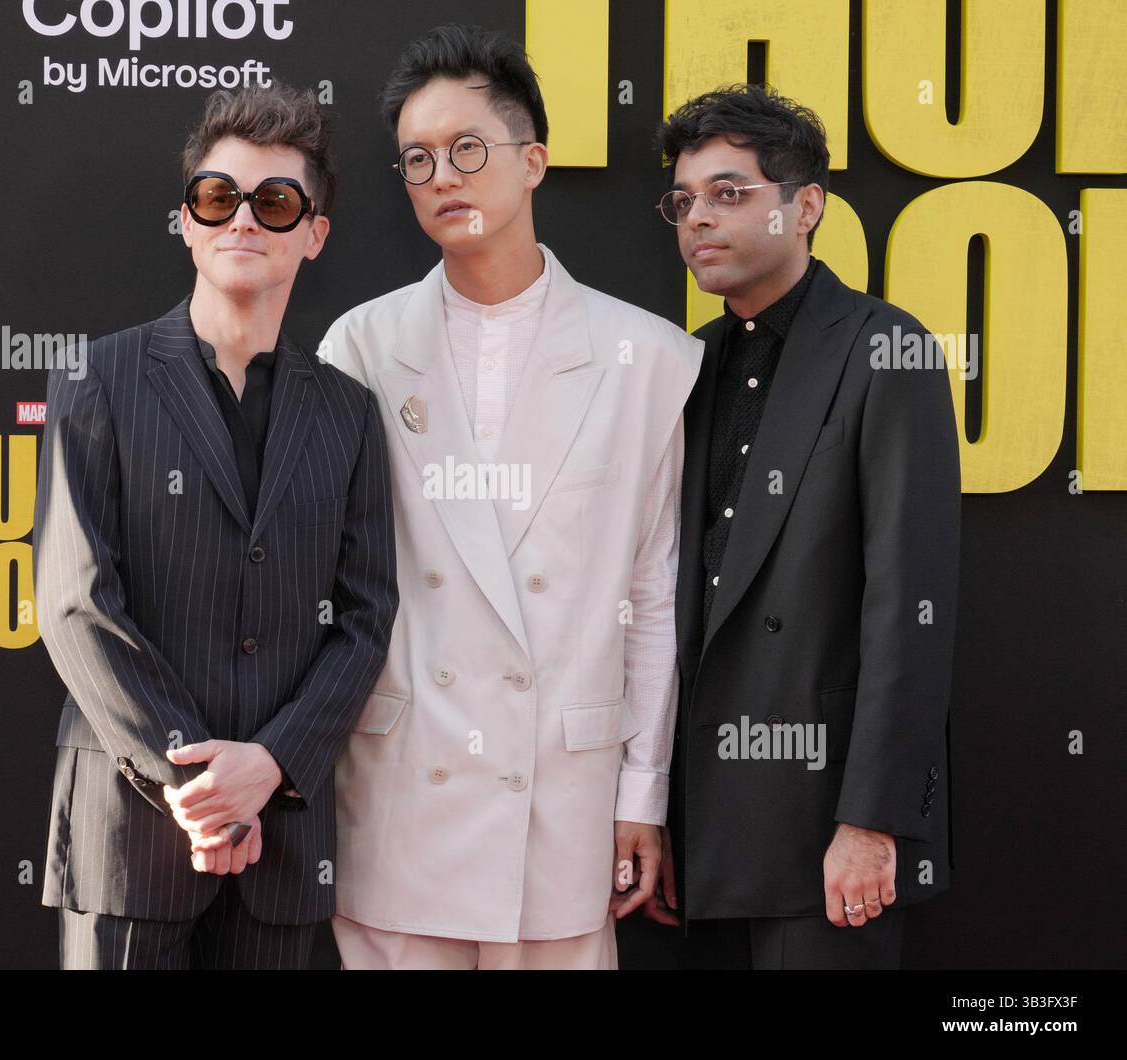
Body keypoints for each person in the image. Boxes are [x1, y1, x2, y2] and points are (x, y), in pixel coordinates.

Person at [321, 24, 702, 970]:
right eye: (417, 159)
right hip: (403, 796)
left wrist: (640, 796)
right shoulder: (358, 351)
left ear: (532, 161)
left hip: (561, 806)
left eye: (466, 150)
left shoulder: (646, 360)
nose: (442, 176)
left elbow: (651, 597)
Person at [33, 82, 398, 969]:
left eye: (274, 202)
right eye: (216, 197)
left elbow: (364, 619)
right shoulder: (99, 380)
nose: (243, 221)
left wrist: (269, 764)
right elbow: (76, 605)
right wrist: (198, 787)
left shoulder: (349, 412)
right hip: (129, 829)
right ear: (188, 222)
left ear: (314, 233)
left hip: (282, 836)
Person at [645, 83, 960, 969]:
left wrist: (873, 821)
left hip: (829, 837)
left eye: (729, 193)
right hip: (701, 842)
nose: (698, 218)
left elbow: (910, 609)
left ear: (806, 206)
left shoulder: (887, 350)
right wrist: (663, 816)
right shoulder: (687, 366)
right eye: (684, 200)